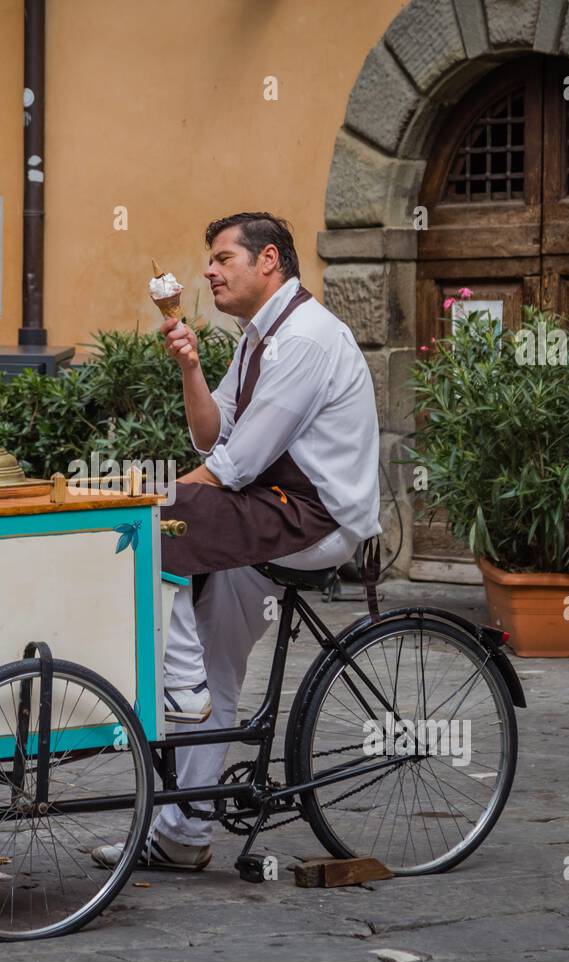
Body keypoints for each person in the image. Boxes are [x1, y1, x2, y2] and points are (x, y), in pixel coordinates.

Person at [92, 212, 381, 872]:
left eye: (223, 258)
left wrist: (152, 504)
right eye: (209, 259)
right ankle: (182, 833)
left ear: (269, 260)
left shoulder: (304, 338)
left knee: (157, 526)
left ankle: (182, 686)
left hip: (314, 513)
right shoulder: (258, 337)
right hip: (267, 505)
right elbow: (211, 435)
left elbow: (232, 467)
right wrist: (191, 367)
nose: (208, 271)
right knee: (217, 653)